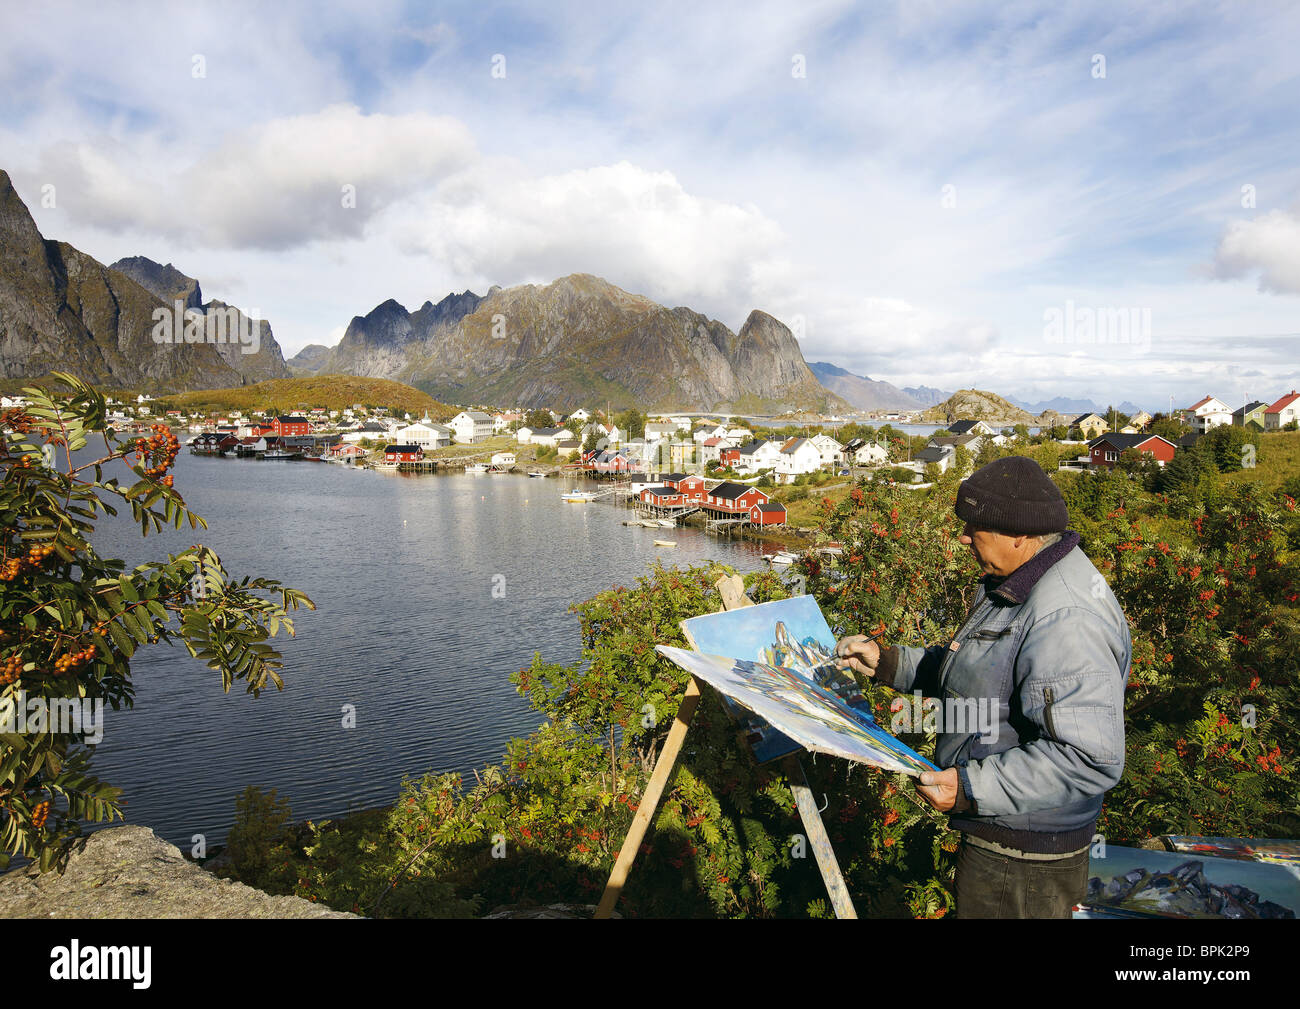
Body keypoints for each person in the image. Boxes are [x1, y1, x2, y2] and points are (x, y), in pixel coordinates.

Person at [834, 456, 1130, 918]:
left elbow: (1090, 757)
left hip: (1026, 861)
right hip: (1005, 840)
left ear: (1019, 534)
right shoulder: (1015, 582)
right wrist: (889, 663)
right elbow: (980, 674)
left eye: (975, 528)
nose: (964, 537)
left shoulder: (1066, 618)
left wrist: (971, 787)